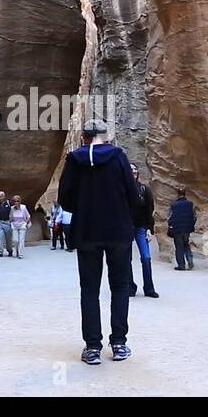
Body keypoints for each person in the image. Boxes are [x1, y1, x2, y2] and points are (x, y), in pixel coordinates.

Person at [58, 119, 141, 365]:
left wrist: (84, 208)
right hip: (118, 232)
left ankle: (92, 347)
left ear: (84, 137)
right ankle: (119, 343)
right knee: (120, 287)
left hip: (87, 232)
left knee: (90, 290)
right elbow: (132, 193)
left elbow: (65, 198)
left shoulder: (74, 159)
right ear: (106, 137)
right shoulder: (119, 157)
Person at [128, 163, 159, 298]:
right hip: (126, 228)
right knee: (126, 259)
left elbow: (149, 210)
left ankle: (149, 288)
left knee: (146, 258)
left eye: (135, 169)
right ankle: (130, 287)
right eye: (130, 169)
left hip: (141, 227)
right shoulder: (121, 189)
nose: (134, 171)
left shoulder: (144, 189)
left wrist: (149, 229)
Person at [167, 186, 197, 272]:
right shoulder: (191, 204)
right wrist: (191, 225)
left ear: (177, 194)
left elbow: (169, 217)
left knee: (179, 246)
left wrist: (171, 225)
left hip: (177, 229)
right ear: (185, 194)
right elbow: (195, 217)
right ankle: (190, 260)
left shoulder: (173, 205)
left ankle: (181, 265)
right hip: (187, 229)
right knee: (186, 244)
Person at [9, 195, 31, 259]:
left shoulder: (23, 207)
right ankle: (17, 251)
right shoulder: (12, 208)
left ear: (20, 201)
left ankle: (20, 254)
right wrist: (11, 219)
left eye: (17, 201)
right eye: (15, 201)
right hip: (14, 225)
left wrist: (25, 223)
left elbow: (28, 216)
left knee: (21, 240)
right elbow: (10, 218)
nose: (16, 202)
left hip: (22, 225)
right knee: (15, 240)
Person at [0, 190, 13, 257]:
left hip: (7, 222)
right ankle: (0, 252)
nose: (0, 197)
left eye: (2, 195)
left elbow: (12, 212)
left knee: (8, 239)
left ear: (4, 196)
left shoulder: (9, 203)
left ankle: (9, 250)